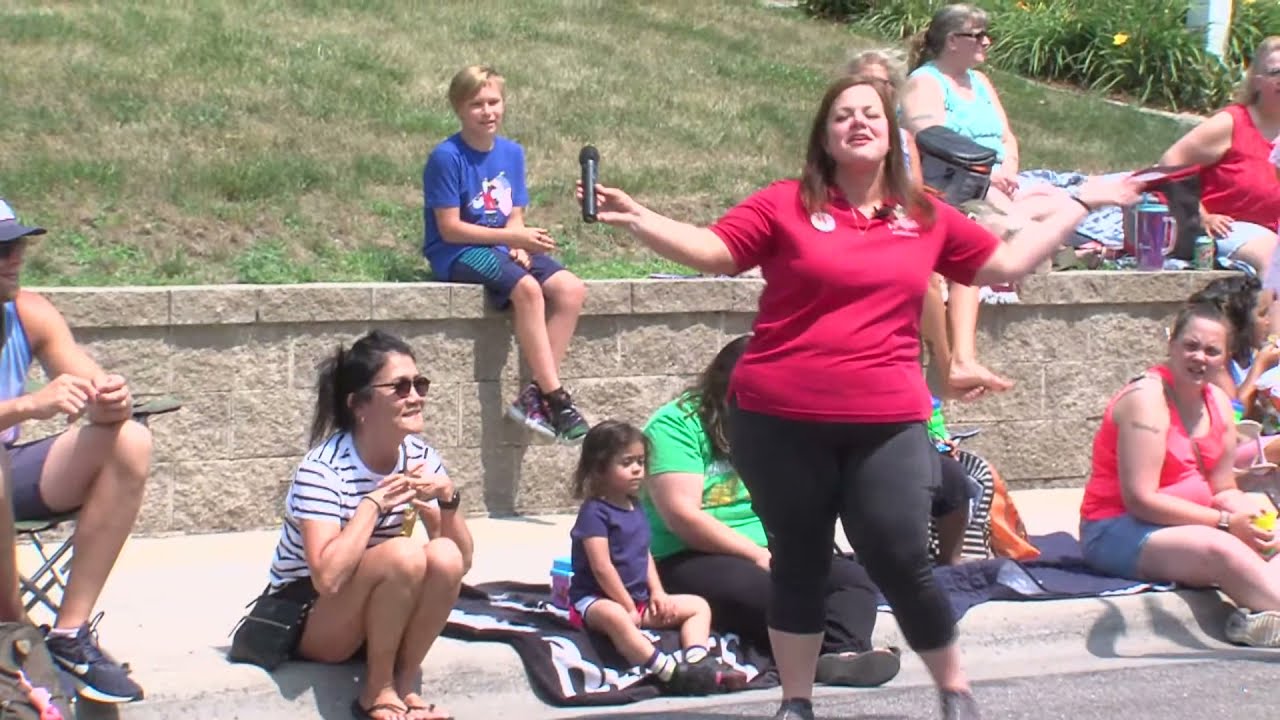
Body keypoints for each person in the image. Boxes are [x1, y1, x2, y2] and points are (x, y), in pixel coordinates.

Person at [580, 72, 1140, 720]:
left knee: (902, 558)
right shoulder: (783, 204)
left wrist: (1084, 200)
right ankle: (796, 702)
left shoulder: (924, 214)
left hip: (887, 421)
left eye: (870, 113)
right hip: (779, 418)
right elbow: (714, 251)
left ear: (892, 135)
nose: (858, 122)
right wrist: (640, 219)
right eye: (842, 115)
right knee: (799, 560)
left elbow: (1005, 266)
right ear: (825, 135)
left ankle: (954, 690)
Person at [642, 335, 902, 689]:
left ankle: (843, 655)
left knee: (851, 581)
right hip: (690, 553)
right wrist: (755, 554)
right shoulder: (674, 426)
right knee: (769, 592)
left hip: (770, 544)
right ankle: (826, 650)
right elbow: (682, 517)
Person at [265, 330, 472, 720]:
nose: (416, 396)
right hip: (308, 616)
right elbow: (325, 579)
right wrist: (372, 506)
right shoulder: (323, 470)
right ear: (359, 404)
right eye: (400, 387)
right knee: (403, 555)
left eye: (420, 384)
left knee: (443, 555)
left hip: (379, 609)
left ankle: (406, 684)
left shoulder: (419, 455)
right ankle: (376, 690)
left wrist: (447, 499)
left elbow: (461, 562)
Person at [0, 198, 152, 704]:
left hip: (12, 472)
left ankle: (68, 634)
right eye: (1, 250)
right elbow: (33, 405)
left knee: (129, 439)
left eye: (18, 245)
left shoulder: (28, 312)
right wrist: (28, 406)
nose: (14, 258)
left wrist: (111, 397)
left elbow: (86, 377)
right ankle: (13, 635)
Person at [1079, 302, 1280, 647]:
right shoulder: (1147, 399)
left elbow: (1223, 486)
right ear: (1171, 344)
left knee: (1269, 527)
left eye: (1212, 351)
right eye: (1191, 346)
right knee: (1220, 548)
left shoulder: (1217, 402)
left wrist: (1258, 522)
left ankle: (1257, 617)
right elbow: (1141, 501)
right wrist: (1225, 523)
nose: (1200, 357)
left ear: (1224, 357)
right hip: (1117, 528)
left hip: (1193, 523)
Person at [422, 64, 590, 442]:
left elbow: (515, 212)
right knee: (528, 290)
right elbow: (449, 228)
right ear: (459, 109)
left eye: (493, 102)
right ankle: (554, 397)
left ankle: (534, 394)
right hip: (456, 252)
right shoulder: (447, 157)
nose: (487, 111)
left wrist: (517, 240)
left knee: (571, 290)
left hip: (499, 244)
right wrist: (511, 238)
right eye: (476, 104)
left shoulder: (512, 153)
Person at [848, 49, 1011, 401]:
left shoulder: (905, 138)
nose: (872, 89)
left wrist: (927, 210)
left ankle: (966, 357)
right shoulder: (849, 134)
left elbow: (915, 188)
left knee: (969, 263)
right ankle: (945, 360)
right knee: (924, 276)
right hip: (871, 224)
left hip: (907, 216)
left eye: (880, 82)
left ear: (893, 89)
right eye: (863, 81)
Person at [568, 420, 744, 694]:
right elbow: (601, 567)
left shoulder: (635, 506)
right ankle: (668, 672)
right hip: (596, 599)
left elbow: (644, 554)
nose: (638, 469)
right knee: (615, 618)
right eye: (627, 463)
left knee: (697, 606)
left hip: (638, 601)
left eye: (641, 461)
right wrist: (626, 605)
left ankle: (698, 659)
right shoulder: (595, 513)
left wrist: (658, 592)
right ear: (599, 468)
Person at [1159, 37, 1279, 289]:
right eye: (1276, 72)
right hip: (1229, 228)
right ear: (1256, 80)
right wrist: (1201, 216)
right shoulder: (1232, 123)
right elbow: (1170, 162)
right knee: (1275, 259)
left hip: (1272, 227)